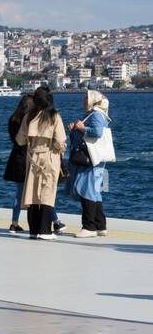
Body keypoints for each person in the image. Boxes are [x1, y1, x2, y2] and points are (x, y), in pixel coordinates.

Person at [15, 86, 66, 240]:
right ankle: (45, 231)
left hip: (32, 158)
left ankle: (34, 230)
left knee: (31, 194)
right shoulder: (54, 116)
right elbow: (60, 141)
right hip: (49, 156)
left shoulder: (28, 117)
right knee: (47, 193)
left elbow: (20, 140)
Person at [71, 90, 112, 237]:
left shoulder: (95, 115)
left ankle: (89, 227)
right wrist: (75, 131)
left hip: (90, 160)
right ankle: (100, 225)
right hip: (95, 159)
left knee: (85, 189)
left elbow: (97, 132)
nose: (83, 101)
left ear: (93, 100)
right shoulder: (99, 114)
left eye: (86, 98)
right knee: (94, 191)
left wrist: (82, 128)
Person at [4, 93, 32, 233]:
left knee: (18, 193)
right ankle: (53, 221)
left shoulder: (13, 119)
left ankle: (14, 222)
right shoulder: (29, 121)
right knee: (35, 192)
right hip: (27, 157)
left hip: (15, 157)